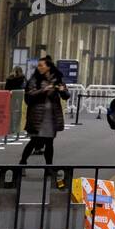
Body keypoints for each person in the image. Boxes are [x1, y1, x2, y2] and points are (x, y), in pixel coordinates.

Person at [19, 56, 69, 188]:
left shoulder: (57, 80)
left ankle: (48, 168)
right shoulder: (34, 80)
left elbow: (66, 95)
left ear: (49, 67)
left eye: (42, 65)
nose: (39, 67)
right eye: (39, 65)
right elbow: (28, 97)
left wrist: (63, 91)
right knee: (34, 141)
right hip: (37, 115)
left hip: (51, 115)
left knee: (49, 142)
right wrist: (43, 90)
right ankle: (22, 163)